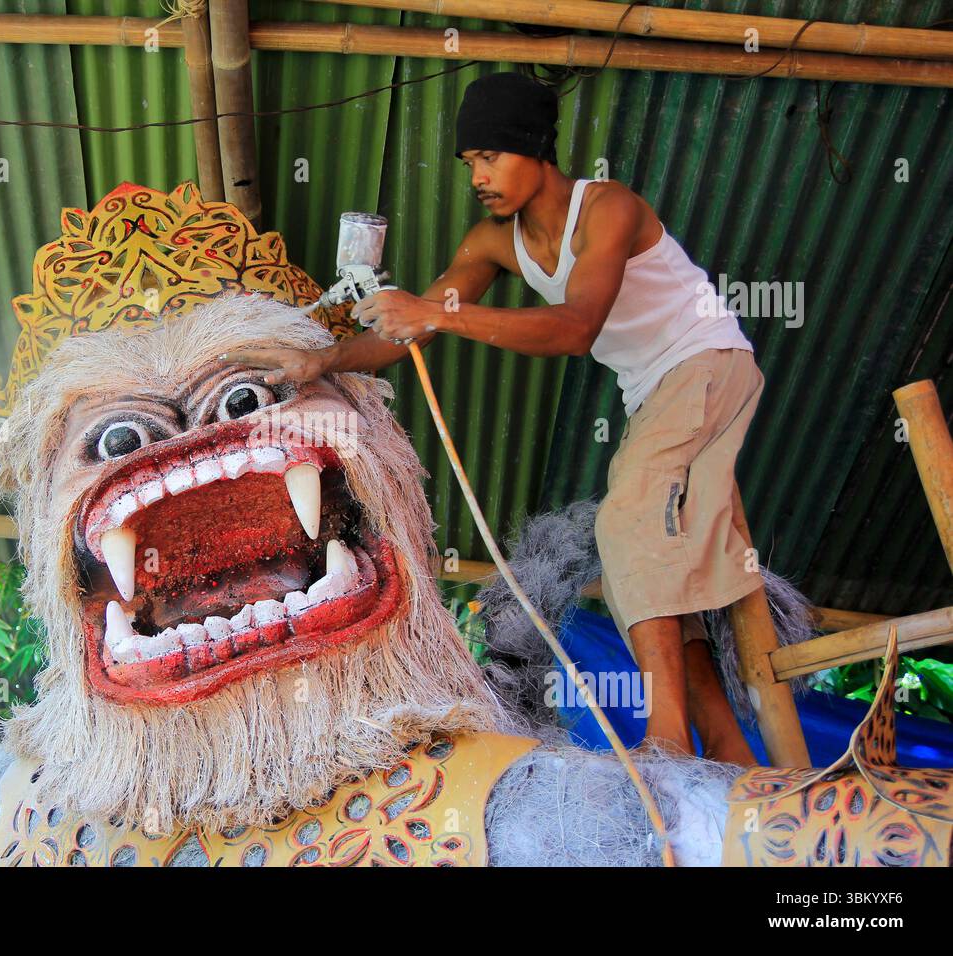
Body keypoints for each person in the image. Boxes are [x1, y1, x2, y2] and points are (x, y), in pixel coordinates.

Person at [223, 71, 763, 764]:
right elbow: (405, 339)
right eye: (470, 162)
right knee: (659, 568)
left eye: (491, 156)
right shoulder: (492, 242)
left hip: (707, 360)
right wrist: (323, 361)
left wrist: (433, 311)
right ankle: (729, 757)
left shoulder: (608, 209)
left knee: (625, 518)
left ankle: (666, 741)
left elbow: (575, 326)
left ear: (536, 148)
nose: (478, 175)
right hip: (654, 391)